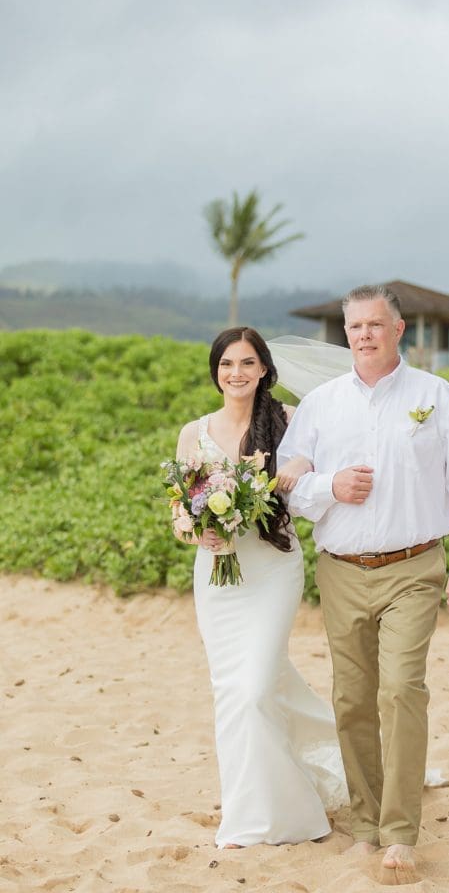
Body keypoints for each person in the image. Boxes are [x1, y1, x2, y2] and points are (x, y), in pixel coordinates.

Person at [277, 284, 449, 877]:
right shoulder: (321, 403)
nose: (365, 335)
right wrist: (331, 487)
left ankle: (401, 830)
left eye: (376, 324)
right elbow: (289, 484)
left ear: (398, 330)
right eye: (355, 327)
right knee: (351, 701)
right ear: (345, 333)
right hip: (341, 571)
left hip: (414, 568)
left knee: (401, 691)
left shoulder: (437, 396)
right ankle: (367, 825)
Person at [172, 326, 346, 849]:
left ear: (265, 369)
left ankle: (284, 814)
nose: (237, 374)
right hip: (217, 575)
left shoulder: (287, 422)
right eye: (227, 364)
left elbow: (316, 466)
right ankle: (254, 808)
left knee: (252, 689)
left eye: (248, 363)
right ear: (215, 371)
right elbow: (178, 512)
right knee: (237, 691)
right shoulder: (193, 431)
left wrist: (299, 463)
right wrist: (194, 528)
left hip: (272, 569)